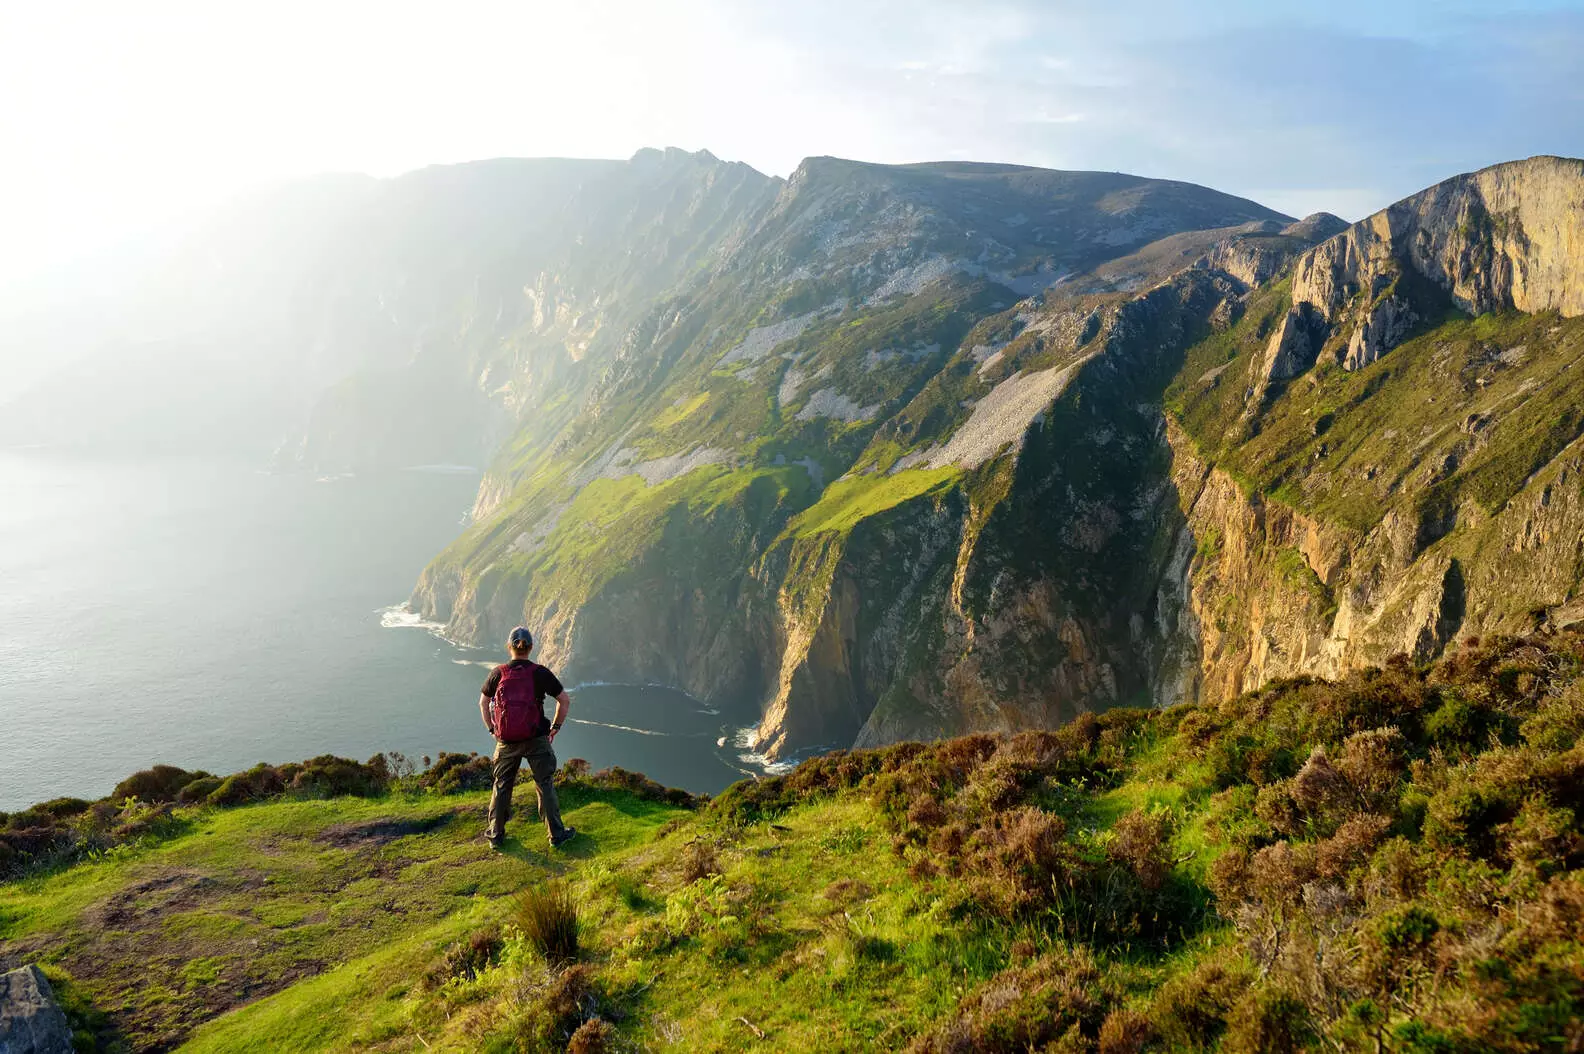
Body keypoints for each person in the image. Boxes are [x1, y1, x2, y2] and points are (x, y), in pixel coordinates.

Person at [479, 626, 578, 850]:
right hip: (536, 739)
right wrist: (555, 727)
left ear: (509, 646)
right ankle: (556, 835)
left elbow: (483, 703)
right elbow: (564, 700)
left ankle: (496, 835)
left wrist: (492, 730)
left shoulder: (498, 673)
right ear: (531, 647)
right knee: (545, 784)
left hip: (506, 741)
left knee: (502, 786)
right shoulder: (540, 672)